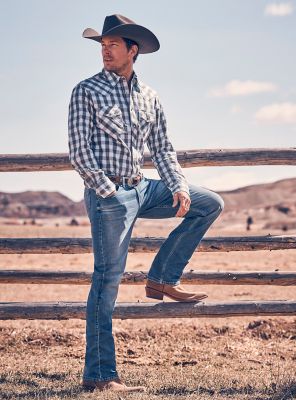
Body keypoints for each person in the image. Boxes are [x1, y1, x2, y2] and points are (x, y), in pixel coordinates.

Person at [68, 13, 224, 394]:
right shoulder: (86, 90)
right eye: (102, 46)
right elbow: (79, 152)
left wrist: (179, 187)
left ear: (132, 51)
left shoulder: (149, 96)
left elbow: (163, 149)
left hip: (144, 188)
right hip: (111, 196)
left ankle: (162, 278)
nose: (105, 51)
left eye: (113, 46)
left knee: (209, 203)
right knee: (107, 281)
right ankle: (100, 375)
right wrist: (108, 192)